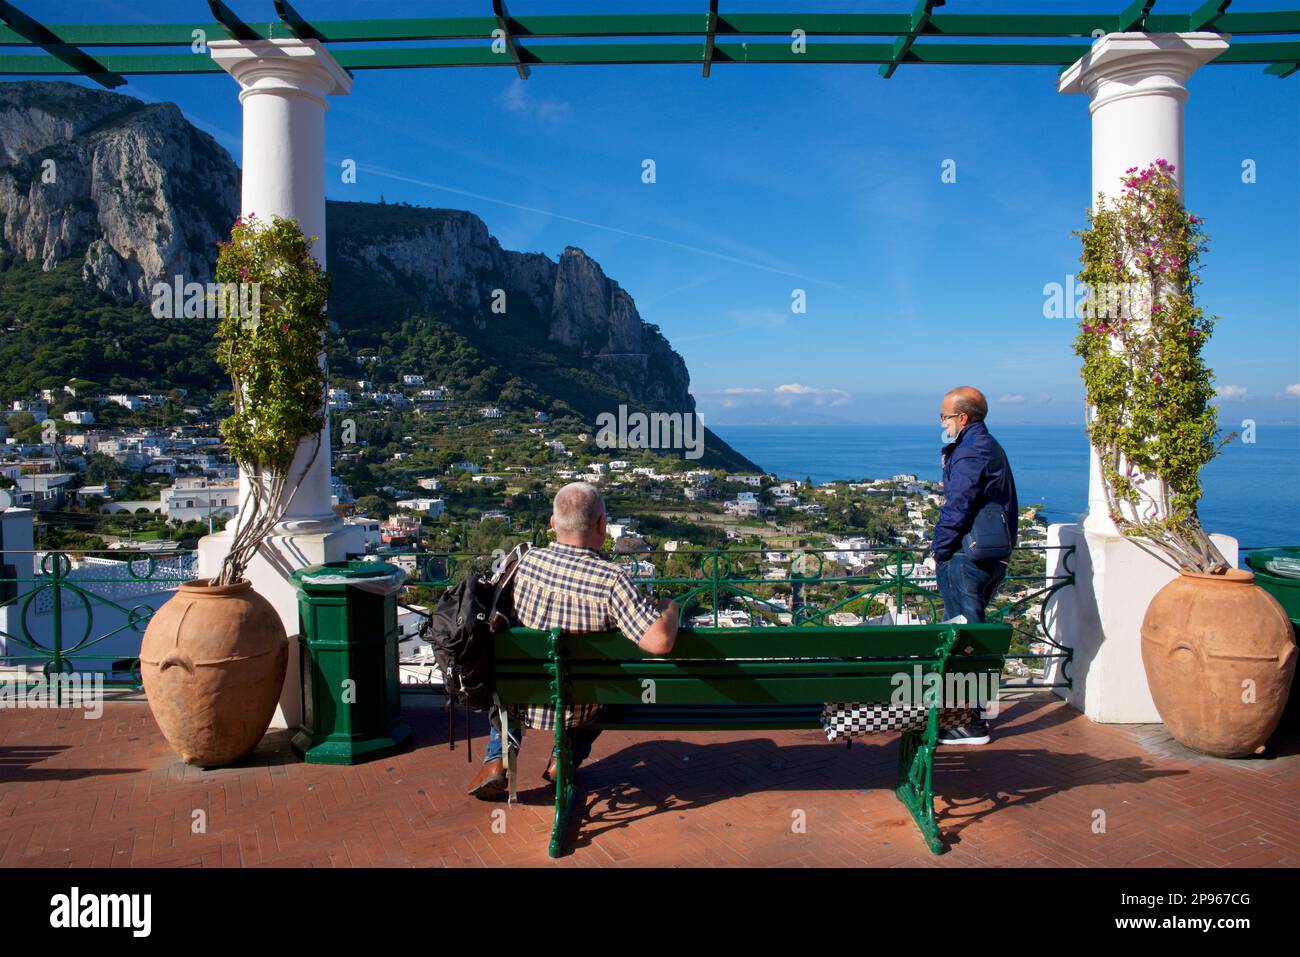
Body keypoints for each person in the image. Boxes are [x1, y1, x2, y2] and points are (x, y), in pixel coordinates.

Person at [467, 481, 679, 799]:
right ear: (601, 525)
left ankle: (497, 758)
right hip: (578, 709)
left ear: (553, 524)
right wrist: (669, 609)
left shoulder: (523, 564)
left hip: (519, 698)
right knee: (617, 688)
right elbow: (660, 642)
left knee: (508, 675)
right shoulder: (612, 581)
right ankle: (564, 757)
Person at [931, 386, 1018, 746]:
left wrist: (939, 548)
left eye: (945, 417)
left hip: (967, 556)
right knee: (972, 635)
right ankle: (974, 715)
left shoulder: (971, 451)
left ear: (962, 418)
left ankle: (969, 722)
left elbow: (959, 504)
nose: (942, 423)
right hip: (988, 553)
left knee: (963, 637)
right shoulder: (986, 445)